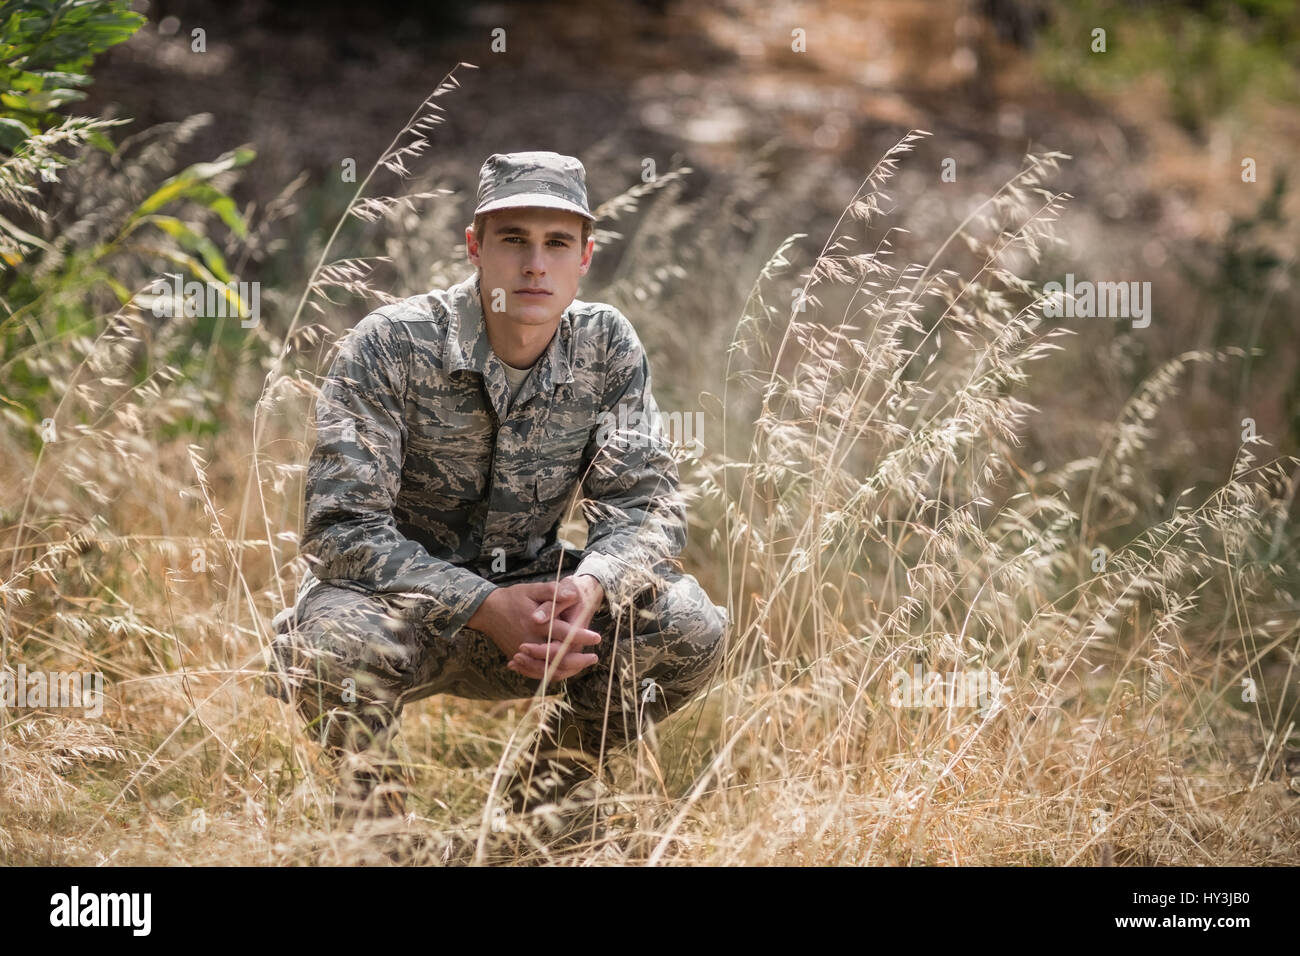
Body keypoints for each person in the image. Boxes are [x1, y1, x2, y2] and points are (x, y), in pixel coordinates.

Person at [264, 150, 728, 827]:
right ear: (476, 247)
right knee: (327, 644)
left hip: (543, 623)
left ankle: (544, 812)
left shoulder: (606, 346)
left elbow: (647, 508)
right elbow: (341, 531)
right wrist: (484, 605)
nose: (535, 265)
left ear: (585, 257)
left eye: (556, 243)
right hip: (400, 614)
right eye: (514, 240)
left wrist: (590, 585)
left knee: (689, 626)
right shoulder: (391, 344)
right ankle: (381, 835)